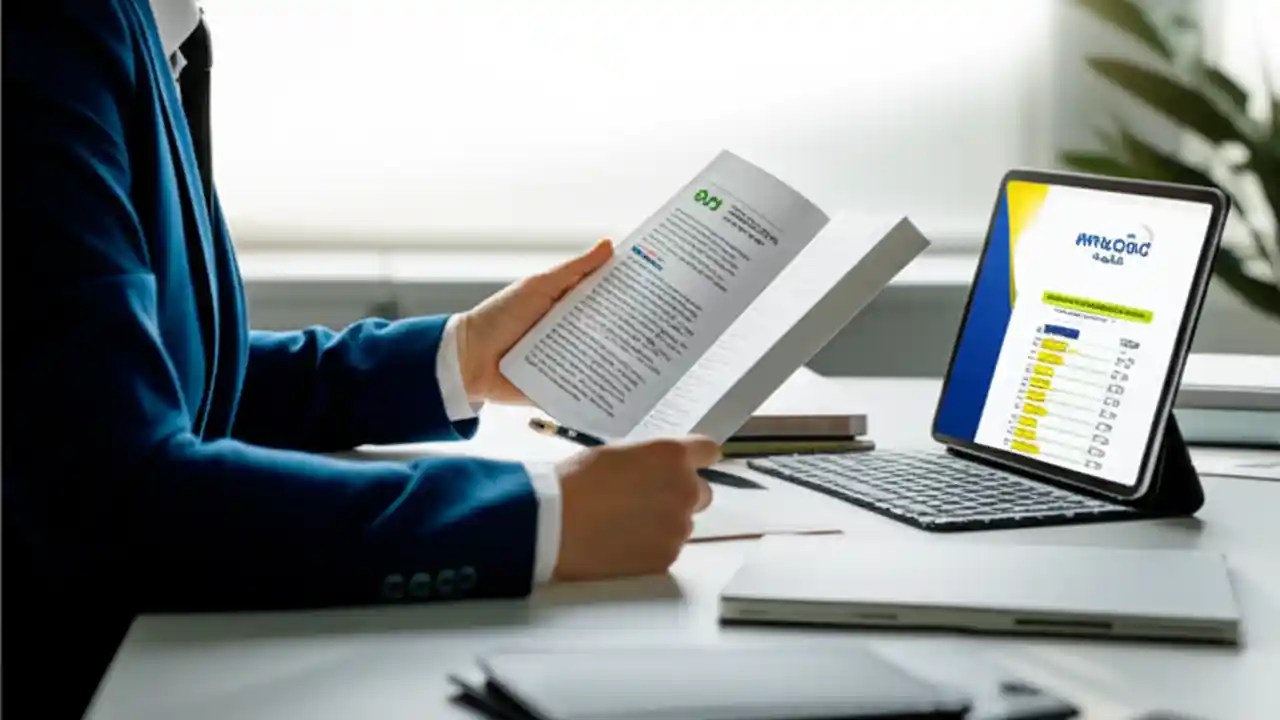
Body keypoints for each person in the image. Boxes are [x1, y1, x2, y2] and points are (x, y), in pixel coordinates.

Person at [1, 1, 718, 717]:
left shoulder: (155, 26)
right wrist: (538, 520)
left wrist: (456, 357)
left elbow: (146, 379)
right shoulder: (47, 32)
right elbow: (108, 492)